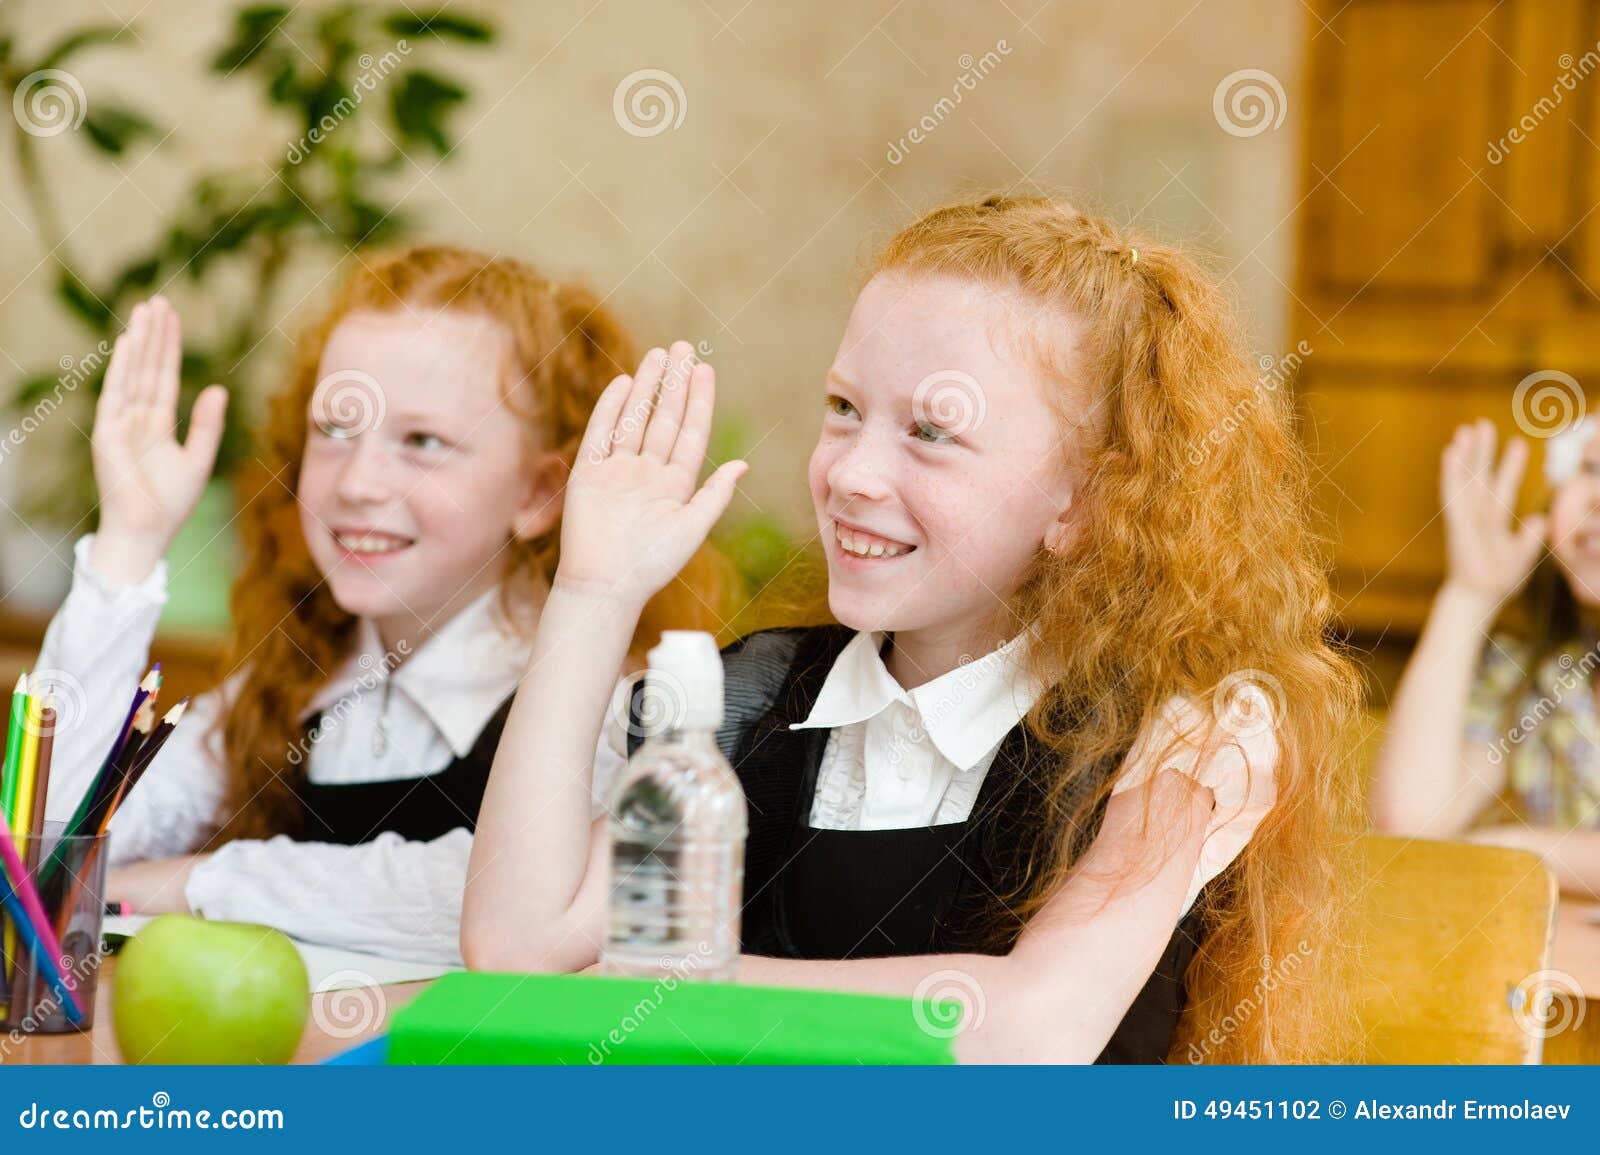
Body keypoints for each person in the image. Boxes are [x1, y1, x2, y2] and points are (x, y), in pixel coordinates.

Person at [462, 195, 1361, 1062]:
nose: (851, 473)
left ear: (1084, 500)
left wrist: (664, 983)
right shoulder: (756, 697)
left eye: (931, 431)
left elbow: (1028, 1032)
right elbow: (518, 950)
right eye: (845, 408)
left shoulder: (1191, 732)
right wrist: (591, 592)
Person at [38, 246, 729, 963]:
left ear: (540, 494)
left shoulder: (606, 705)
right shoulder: (295, 679)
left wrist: (198, 879)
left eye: (423, 441)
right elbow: (53, 849)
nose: (360, 482)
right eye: (334, 430)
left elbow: (478, 899)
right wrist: (129, 541)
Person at [1372, 418, 1600, 896]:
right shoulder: (1536, 680)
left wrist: (1511, 849)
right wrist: (1469, 595)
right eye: (1590, 467)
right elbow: (1411, 824)